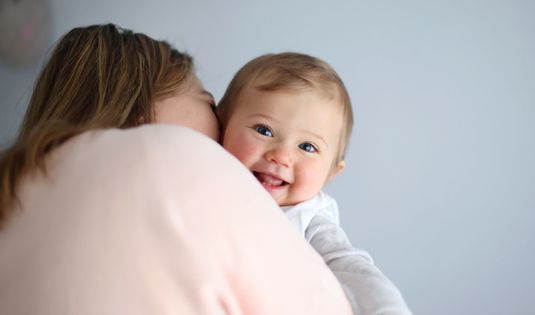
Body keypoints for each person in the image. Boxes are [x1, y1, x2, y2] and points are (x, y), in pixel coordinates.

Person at [0, 24, 353, 315]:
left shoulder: (19, 185)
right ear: (145, 101)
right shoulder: (169, 154)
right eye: (207, 101)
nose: (220, 121)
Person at [217, 52, 413, 315]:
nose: (282, 156)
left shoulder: (309, 221)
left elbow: (354, 271)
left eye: (307, 146)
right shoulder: (208, 182)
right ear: (222, 126)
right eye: (264, 130)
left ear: (332, 172)